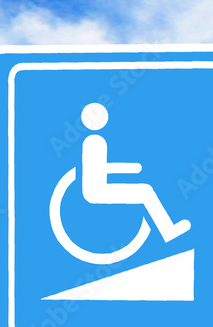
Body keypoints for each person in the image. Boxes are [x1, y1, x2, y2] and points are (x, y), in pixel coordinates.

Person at [80, 102, 191, 243]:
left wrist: (130, 168)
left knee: (146, 190)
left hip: (100, 187)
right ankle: (168, 231)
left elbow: (102, 169)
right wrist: (131, 168)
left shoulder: (94, 140)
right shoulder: (95, 141)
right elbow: (100, 169)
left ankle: (168, 230)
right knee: (146, 191)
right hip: (97, 191)